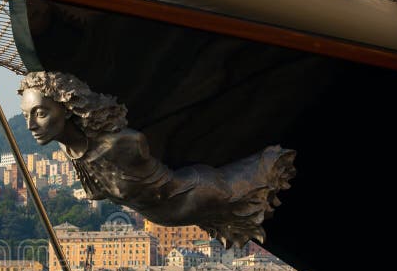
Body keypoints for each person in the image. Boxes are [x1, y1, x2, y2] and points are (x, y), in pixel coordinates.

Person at [18, 71, 296, 247]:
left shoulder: (119, 144)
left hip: (198, 193)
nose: (31, 124)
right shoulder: (71, 152)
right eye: (26, 115)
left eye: (40, 113)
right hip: (177, 215)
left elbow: (139, 141)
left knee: (275, 168)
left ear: (67, 109)